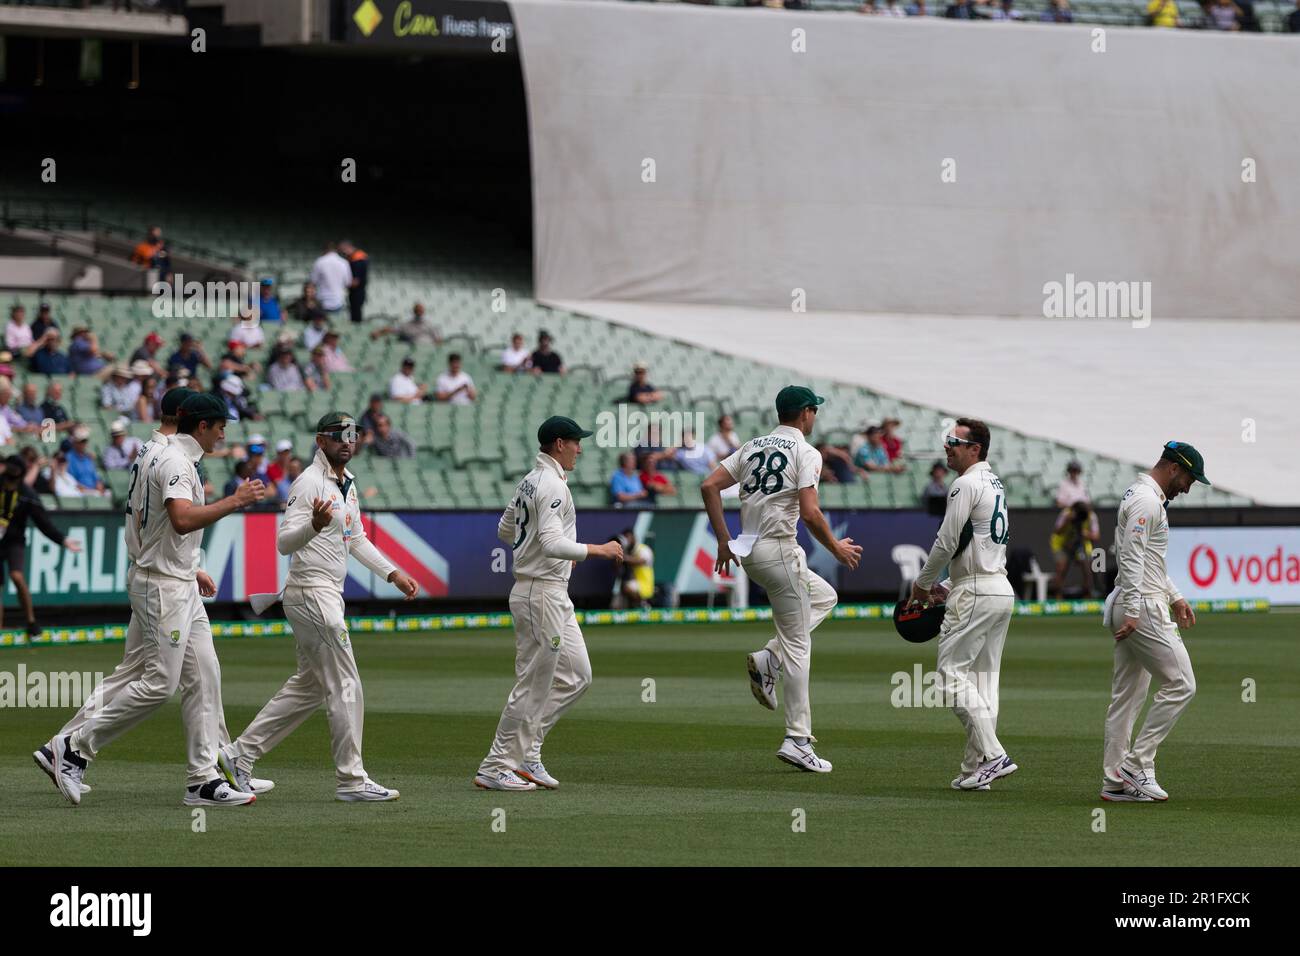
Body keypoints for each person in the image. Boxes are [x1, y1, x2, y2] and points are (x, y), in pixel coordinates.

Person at [45, 392, 268, 807]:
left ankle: (202, 780)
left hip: (173, 575)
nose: (224, 433)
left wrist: (188, 564)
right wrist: (235, 501)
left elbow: (159, 520)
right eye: (220, 426)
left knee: (204, 673)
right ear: (201, 426)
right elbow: (181, 518)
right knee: (158, 683)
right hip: (161, 583)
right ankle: (73, 747)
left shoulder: (156, 450)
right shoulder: (176, 461)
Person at [219, 412, 418, 800]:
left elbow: (355, 538)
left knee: (309, 687)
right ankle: (352, 780)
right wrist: (312, 524)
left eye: (352, 435)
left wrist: (392, 573)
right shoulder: (308, 482)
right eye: (338, 435)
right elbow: (283, 542)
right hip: (311, 593)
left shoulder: (348, 484)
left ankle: (237, 757)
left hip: (326, 593)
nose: (348, 441)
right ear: (320, 441)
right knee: (346, 684)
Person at [701, 385, 861, 774]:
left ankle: (769, 657)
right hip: (780, 550)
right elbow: (810, 512)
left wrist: (723, 539)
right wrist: (836, 547)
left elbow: (709, 485)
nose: (815, 416)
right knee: (799, 645)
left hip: (750, 551)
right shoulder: (807, 452)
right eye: (814, 411)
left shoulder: (753, 445)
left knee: (824, 596)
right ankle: (798, 739)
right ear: (805, 414)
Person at [473, 416, 623, 791]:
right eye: (576, 442)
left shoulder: (529, 481)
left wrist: (543, 552)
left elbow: (505, 530)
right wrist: (598, 549)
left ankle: (527, 753)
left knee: (577, 676)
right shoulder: (551, 484)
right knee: (533, 685)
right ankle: (496, 765)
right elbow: (553, 543)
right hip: (541, 593)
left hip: (546, 591)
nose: (580, 449)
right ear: (559, 443)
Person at [910, 418, 1017, 792]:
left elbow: (946, 540)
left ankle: (993, 756)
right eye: (947, 440)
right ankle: (976, 770)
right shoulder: (995, 483)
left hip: (975, 591)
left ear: (976, 449)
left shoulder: (965, 483)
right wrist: (947, 584)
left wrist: (922, 585)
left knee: (949, 675)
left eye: (955, 441)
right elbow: (978, 544)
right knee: (985, 683)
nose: (947, 446)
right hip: (998, 588)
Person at [1101, 441, 1208, 804]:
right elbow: (1131, 556)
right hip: (1142, 605)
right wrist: (1134, 609)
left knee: (1127, 698)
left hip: (1137, 600)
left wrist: (1175, 595)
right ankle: (1137, 763)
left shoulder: (1141, 495)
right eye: (1189, 478)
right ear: (1174, 468)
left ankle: (1115, 779)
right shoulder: (1147, 500)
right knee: (1182, 685)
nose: (1188, 487)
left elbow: (1148, 559)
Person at [0, 455, 83, 635]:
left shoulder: (27, 496)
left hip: (14, 541)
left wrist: (62, 540)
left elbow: (43, 523)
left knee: (16, 576)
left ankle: (31, 621)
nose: (9, 482)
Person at [1050, 500, 1101, 598]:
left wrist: (1085, 533)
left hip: (1080, 543)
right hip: (1061, 544)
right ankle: (1057, 595)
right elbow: (1057, 531)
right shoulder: (1066, 514)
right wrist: (1067, 521)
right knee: (1061, 567)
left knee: (1087, 566)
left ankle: (1087, 594)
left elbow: (1096, 536)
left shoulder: (1091, 516)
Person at [309, 242, 352, 321]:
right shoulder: (344, 263)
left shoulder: (319, 262)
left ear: (325, 250)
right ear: (335, 250)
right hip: (338, 301)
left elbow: (312, 282)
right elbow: (348, 283)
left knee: (323, 330)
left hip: (322, 301)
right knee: (335, 329)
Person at [614, 527, 655, 609]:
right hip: (630, 582)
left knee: (627, 587)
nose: (626, 540)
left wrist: (623, 557)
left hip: (645, 584)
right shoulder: (626, 551)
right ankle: (634, 606)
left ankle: (643, 603)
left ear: (633, 537)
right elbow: (616, 569)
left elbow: (640, 561)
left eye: (627, 537)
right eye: (624, 538)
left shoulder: (643, 549)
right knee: (616, 605)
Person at [372, 302, 442, 348]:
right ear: (414, 312)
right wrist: (378, 332)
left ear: (423, 312)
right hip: (412, 348)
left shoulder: (430, 325)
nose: (419, 313)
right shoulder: (406, 325)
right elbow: (391, 329)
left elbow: (438, 340)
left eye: (420, 311)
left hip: (426, 348)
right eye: (417, 311)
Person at [66, 426, 107, 496]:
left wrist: (99, 486)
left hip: (93, 490)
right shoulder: (68, 458)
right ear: (75, 443)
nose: (84, 444)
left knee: (108, 494)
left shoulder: (88, 458)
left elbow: (96, 477)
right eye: (81, 441)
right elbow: (71, 481)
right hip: (79, 491)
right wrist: (90, 490)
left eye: (85, 441)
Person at [337, 239, 369, 325]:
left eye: (343, 250)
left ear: (348, 247)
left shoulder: (357, 259)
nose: (342, 253)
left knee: (356, 316)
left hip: (357, 292)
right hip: (357, 291)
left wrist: (341, 286)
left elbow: (355, 282)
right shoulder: (355, 258)